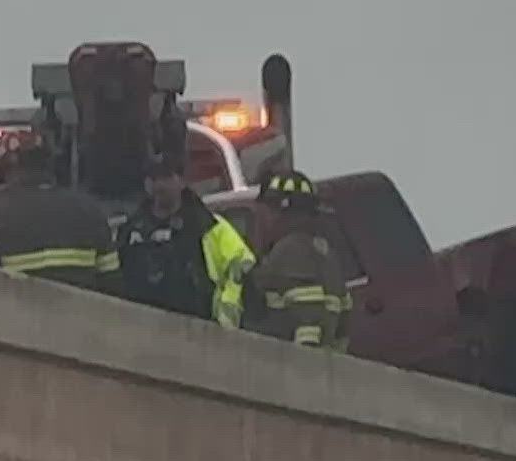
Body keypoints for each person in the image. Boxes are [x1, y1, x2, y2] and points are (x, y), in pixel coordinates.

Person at [0, 131, 120, 293]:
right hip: (83, 320)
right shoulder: (90, 211)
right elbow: (112, 284)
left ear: (3, 170)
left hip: (12, 320)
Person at [113, 148, 256, 327]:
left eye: (167, 178)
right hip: (139, 327)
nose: (160, 186)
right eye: (154, 179)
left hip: (198, 328)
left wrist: (225, 315)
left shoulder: (207, 226)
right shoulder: (131, 230)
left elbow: (241, 265)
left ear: (181, 181)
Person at [243, 169, 350, 350]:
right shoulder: (327, 255)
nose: (259, 223)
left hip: (285, 365)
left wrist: (302, 367)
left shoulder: (290, 251)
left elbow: (308, 319)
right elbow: (343, 328)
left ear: (279, 212)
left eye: (262, 214)